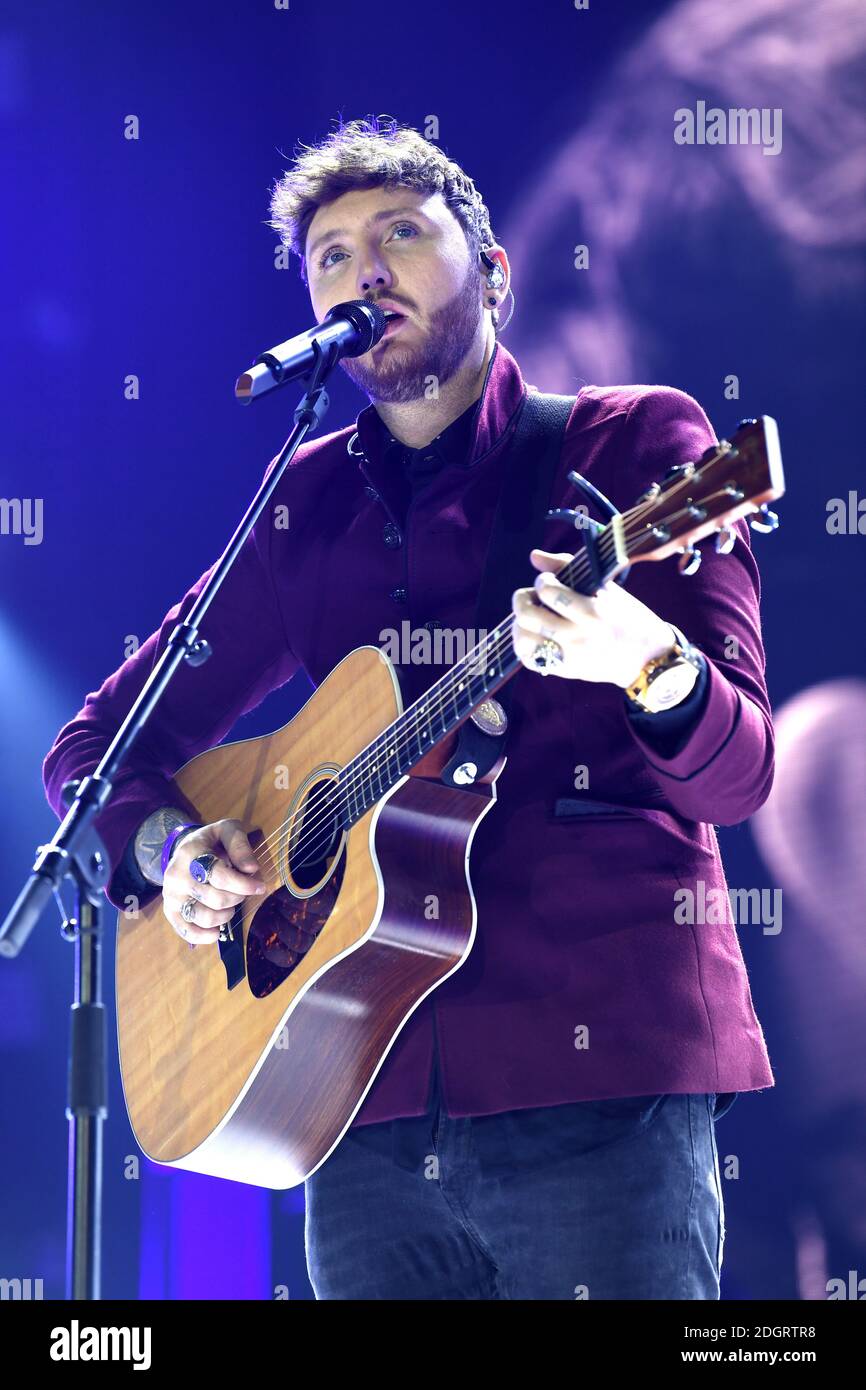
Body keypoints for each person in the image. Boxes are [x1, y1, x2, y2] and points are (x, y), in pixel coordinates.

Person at [43, 116, 775, 1300]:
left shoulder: (640, 444)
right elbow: (97, 750)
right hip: (359, 1109)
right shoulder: (304, 502)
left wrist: (649, 662)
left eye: (399, 234)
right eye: (329, 257)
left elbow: (737, 777)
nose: (362, 270)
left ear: (492, 271)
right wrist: (170, 851)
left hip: (595, 1091)